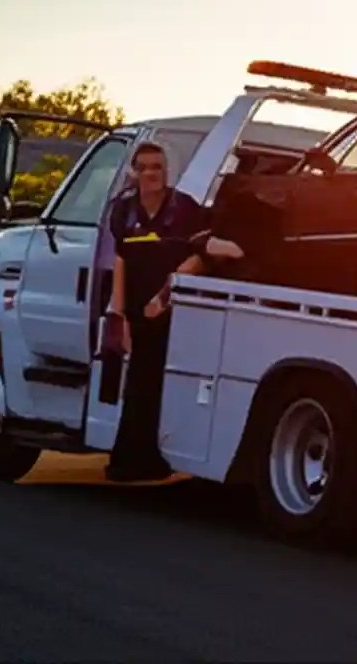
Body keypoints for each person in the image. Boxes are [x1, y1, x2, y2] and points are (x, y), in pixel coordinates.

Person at [102, 140, 237, 481]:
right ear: (134, 173)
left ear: (167, 171)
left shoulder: (184, 208)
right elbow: (121, 260)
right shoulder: (123, 210)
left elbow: (201, 256)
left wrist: (165, 296)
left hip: (175, 309)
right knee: (136, 384)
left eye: (157, 167)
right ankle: (130, 461)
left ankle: (154, 456)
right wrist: (118, 316)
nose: (151, 173)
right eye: (144, 167)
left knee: (160, 383)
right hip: (138, 310)